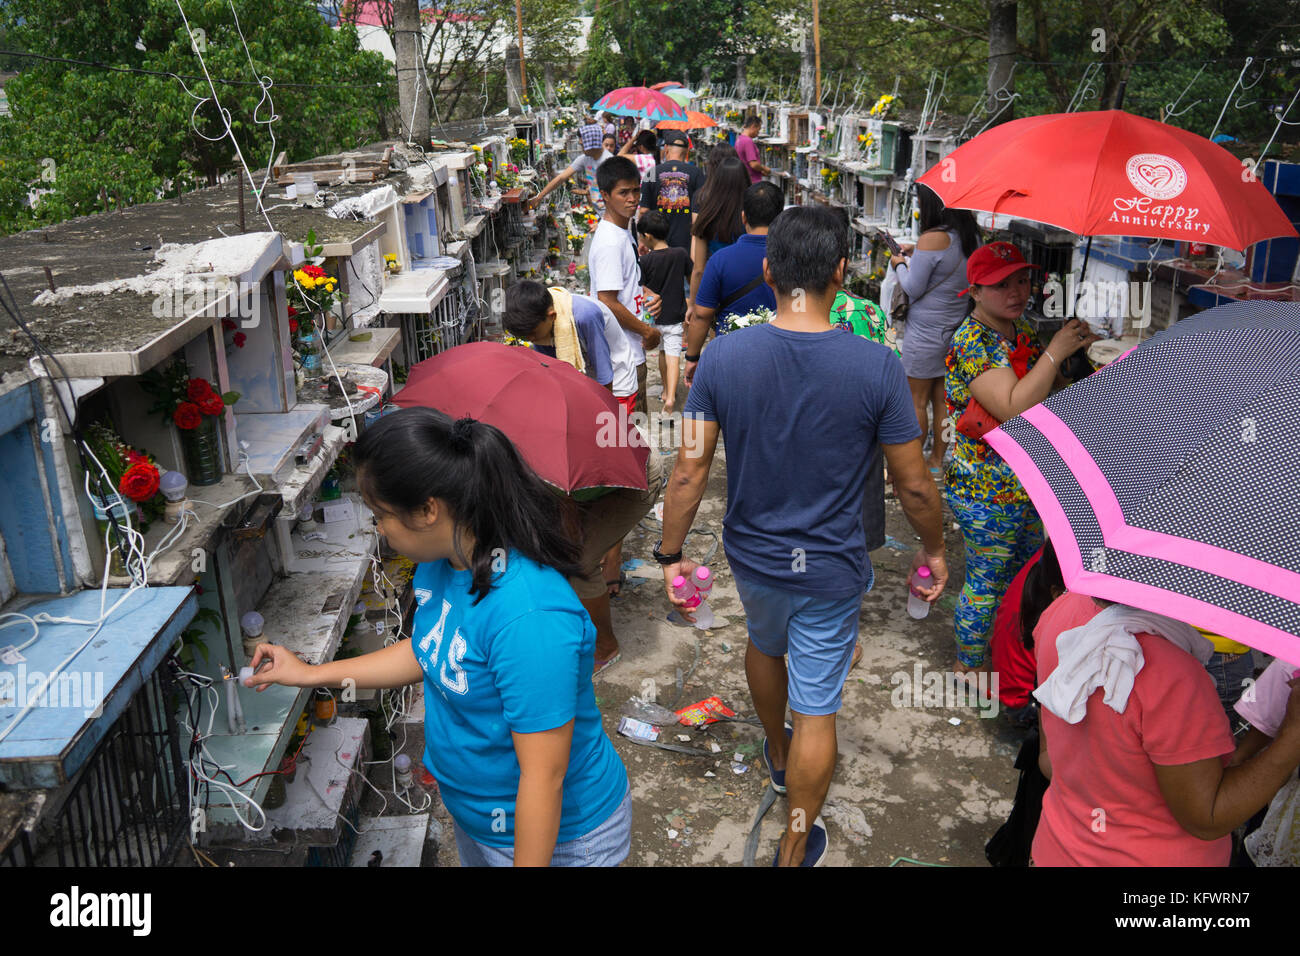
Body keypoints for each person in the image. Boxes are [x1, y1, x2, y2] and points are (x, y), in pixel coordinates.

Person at [659, 205, 948, 866]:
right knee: (818, 706)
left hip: (754, 557)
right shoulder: (876, 366)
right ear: (841, 273)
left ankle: (778, 750)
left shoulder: (726, 357)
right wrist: (931, 547)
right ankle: (794, 845)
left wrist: (670, 555)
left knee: (764, 645)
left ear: (767, 270)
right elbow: (913, 485)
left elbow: (688, 468)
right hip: (832, 566)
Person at [245, 408, 632, 866]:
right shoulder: (446, 563)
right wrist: (310, 673)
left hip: (554, 840)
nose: (378, 529)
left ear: (429, 509)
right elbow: (431, 650)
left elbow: (543, 778)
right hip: (484, 822)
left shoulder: (529, 617)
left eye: (380, 515)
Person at [1031, 593, 1300, 866]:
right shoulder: (1172, 674)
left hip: (1056, 847)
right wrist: (1292, 739)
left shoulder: (1063, 610)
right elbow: (1207, 818)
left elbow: (1049, 758)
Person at [944, 241, 1098, 673]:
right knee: (986, 580)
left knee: (1024, 577)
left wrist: (1074, 359)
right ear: (974, 291)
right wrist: (1053, 354)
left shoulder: (1022, 331)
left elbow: (1045, 394)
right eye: (1000, 285)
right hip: (985, 488)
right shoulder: (972, 340)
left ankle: (1007, 655)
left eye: (1022, 280)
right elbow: (1013, 406)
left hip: (1026, 482)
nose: (1016, 292)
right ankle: (968, 665)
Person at [889, 185, 981, 475]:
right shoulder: (971, 236)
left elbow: (913, 287)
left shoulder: (932, 237)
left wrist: (899, 264)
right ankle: (938, 461)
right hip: (953, 329)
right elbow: (947, 262)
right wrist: (917, 253)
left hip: (924, 334)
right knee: (942, 401)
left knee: (916, 400)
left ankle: (914, 464)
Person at [682, 181, 782, 385]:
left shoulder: (721, 260)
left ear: (743, 216)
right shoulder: (792, 257)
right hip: (779, 357)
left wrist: (692, 358)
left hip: (731, 357)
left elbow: (701, 315)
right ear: (781, 217)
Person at [589, 155, 661, 416]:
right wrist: (647, 332)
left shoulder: (624, 230)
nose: (632, 198)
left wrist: (644, 292)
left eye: (636, 190)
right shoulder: (610, 241)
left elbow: (623, 286)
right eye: (623, 192)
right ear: (605, 195)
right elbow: (607, 300)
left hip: (628, 351)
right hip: (623, 355)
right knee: (631, 432)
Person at [502, 280, 637, 415]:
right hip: (586, 377)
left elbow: (604, 372)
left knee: (614, 428)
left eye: (533, 335)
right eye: (524, 338)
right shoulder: (537, 320)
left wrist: (603, 412)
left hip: (615, 379)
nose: (531, 340)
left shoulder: (586, 316)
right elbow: (551, 369)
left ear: (552, 316)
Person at [637, 210, 692, 414]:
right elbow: (691, 275)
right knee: (673, 357)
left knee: (661, 352)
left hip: (654, 319)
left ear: (648, 237)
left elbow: (640, 286)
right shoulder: (680, 254)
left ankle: (666, 390)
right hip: (675, 318)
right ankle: (670, 397)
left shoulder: (645, 262)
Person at [688, 155, 748, 317]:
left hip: (718, 287)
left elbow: (699, 269)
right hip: (750, 283)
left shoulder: (707, 217)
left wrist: (692, 304)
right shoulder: (751, 215)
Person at [637, 129, 704, 256]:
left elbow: (643, 211)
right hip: (689, 246)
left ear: (666, 148)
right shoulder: (697, 174)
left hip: (658, 244)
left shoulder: (651, 173)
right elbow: (702, 211)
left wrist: (642, 239)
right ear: (687, 151)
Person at [528, 122, 605, 210]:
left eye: (583, 145)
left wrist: (588, 192)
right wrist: (539, 197)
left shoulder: (608, 161)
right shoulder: (584, 158)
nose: (582, 148)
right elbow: (561, 178)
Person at [735, 114, 769, 184]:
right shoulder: (748, 141)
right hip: (752, 180)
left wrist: (760, 171)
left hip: (744, 178)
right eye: (758, 130)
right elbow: (753, 164)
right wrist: (765, 169)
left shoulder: (739, 139)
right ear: (753, 126)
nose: (758, 134)